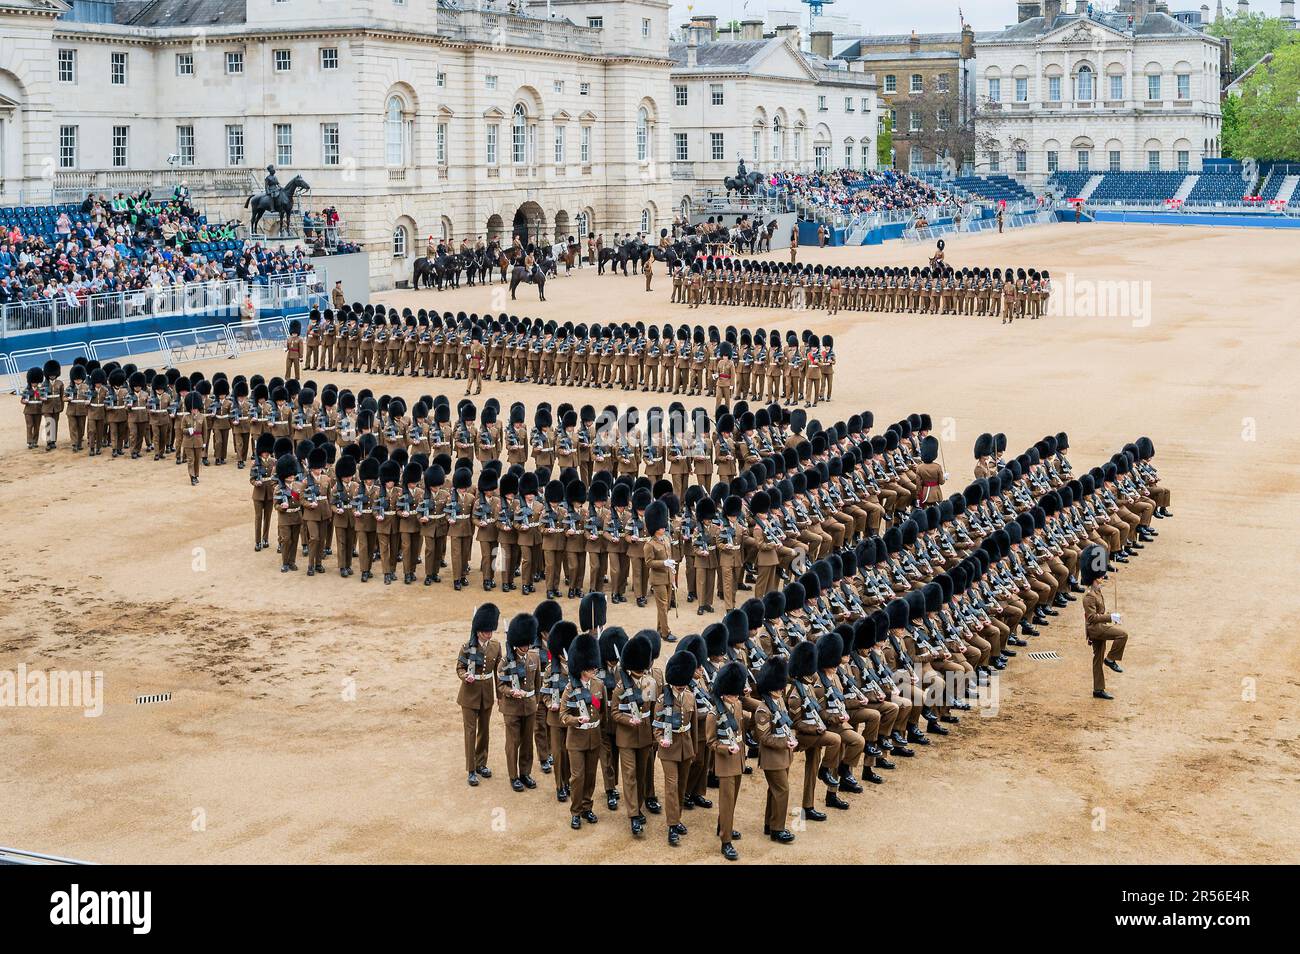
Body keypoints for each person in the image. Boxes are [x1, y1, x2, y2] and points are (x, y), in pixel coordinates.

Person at [561, 631, 605, 829]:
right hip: (576, 739)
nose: (593, 670)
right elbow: (563, 715)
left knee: (590, 775)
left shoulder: (598, 685)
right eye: (589, 668)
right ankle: (576, 810)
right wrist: (576, 720)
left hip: (593, 737)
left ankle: (587, 806)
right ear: (581, 668)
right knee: (577, 777)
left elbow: (601, 710)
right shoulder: (570, 688)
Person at [655, 649, 698, 847]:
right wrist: (660, 739)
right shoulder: (663, 700)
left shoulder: (690, 697)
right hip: (668, 748)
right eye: (678, 686)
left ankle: (677, 817)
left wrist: (694, 749)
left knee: (681, 786)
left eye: (683, 685)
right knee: (671, 786)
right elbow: (656, 724)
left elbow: (694, 726)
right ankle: (672, 826)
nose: (680, 688)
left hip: (685, 746)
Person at [752, 657, 797, 844]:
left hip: (783, 755)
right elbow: (764, 737)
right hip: (772, 757)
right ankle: (777, 829)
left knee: (774, 791)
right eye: (778, 687)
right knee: (782, 791)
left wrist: (790, 738)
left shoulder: (779, 703)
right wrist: (785, 742)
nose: (781, 689)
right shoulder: (763, 710)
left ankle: (769, 824)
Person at [707, 661, 748, 860]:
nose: (735, 698)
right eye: (732, 694)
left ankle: (723, 825)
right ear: (723, 693)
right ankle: (726, 841)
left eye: (736, 694)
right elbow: (711, 742)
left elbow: (740, 730)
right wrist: (725, 749)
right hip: (725, 760)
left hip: (738, 757)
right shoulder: (713, 714)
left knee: (733, 799)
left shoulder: (738, 705)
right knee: (726, 800)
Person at [457, 603, 501, 786]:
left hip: (487, 694)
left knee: (484, 730)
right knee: (470, 731)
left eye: (490, 631)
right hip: (469, 695)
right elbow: (459, 667)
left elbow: (499, 673)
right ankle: (471, 768)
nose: (489, 635)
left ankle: (482, 762)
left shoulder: (496, 647)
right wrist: (464, 675)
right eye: (485, 632)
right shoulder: (467, 647)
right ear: (478, 631)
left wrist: (500, 695)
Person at [497, 613, 542, 791]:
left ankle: (525, 773)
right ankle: (513, 775)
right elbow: (500, 685)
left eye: (527, 643)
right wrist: (511, 692)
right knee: (513, 742)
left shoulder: (534, 658)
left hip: (529, 706)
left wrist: (535, 701)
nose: (525, 646)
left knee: (527, 741)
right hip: (511, 708)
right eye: (523, 644)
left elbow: (537, 683)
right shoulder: (506, 661)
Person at [1080, 544, 1127, 700]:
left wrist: (1108, 616)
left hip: (1098, 627)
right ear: (1094, 577)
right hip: (1096, 629)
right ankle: (1111, 659)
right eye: (1100, 575)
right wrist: (1110, 617)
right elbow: (1091, 618)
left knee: (1097, 659)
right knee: (1122, 635)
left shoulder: (1096, 591)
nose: (1102, 577)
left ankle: (1098, 689)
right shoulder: (1089, 596)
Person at [643, 500, 676, 643]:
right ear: (655, 528)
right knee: (662, 607)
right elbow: (648, 562)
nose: (664, 527)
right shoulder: (649, 544)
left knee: (665, 606)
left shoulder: (666, 539)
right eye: (661, 526)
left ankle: (658, 629)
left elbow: (669, 558)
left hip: (668, 577)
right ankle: (666, 632)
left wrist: (673, 577)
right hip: (657, 579)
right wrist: (664, 563)